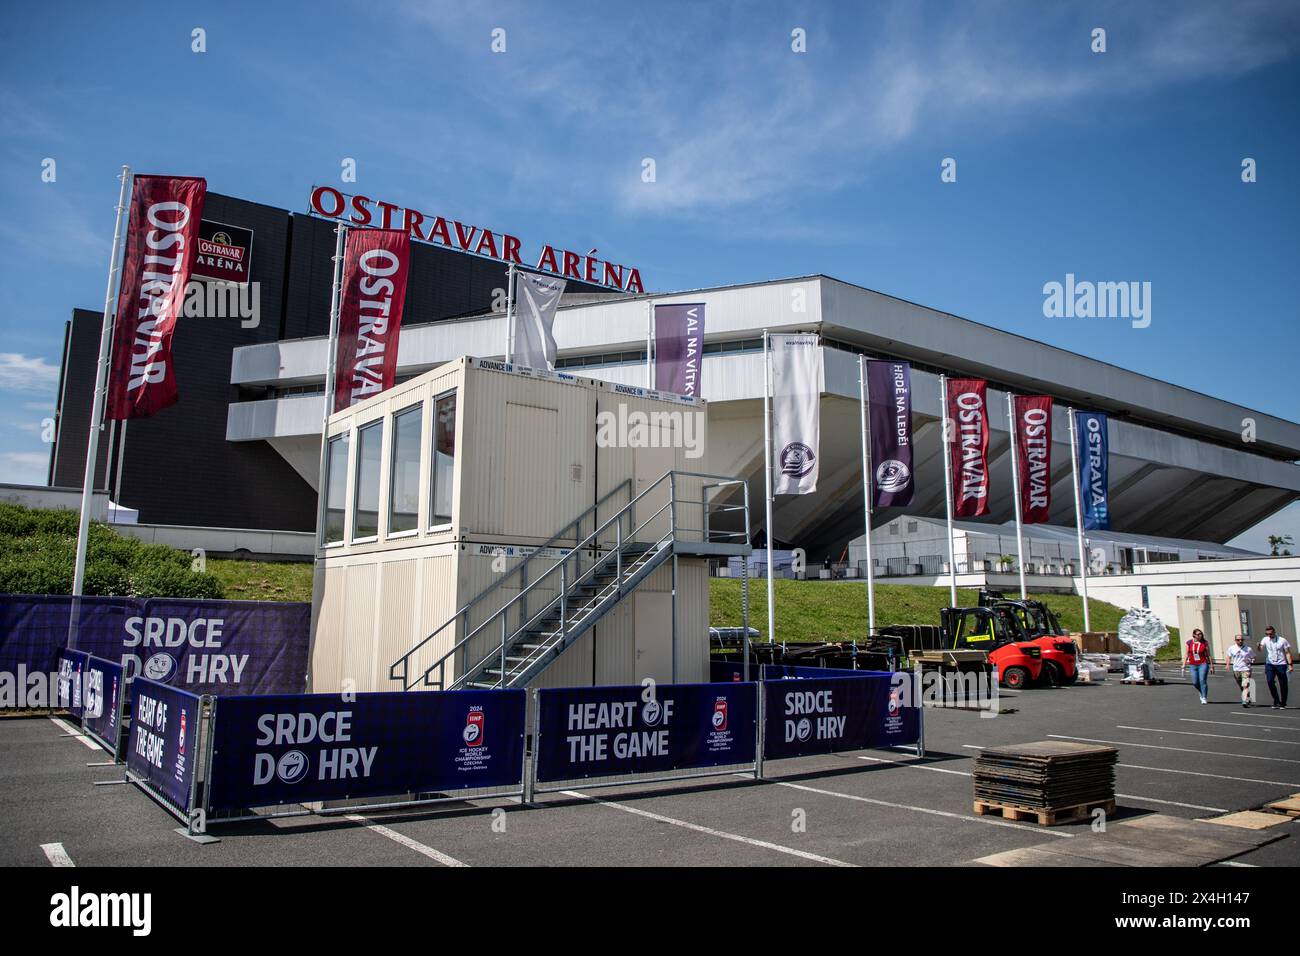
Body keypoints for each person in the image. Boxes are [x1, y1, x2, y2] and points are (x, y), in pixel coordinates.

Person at [1257, 626, 1294, 710]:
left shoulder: (1282, 640)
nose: (1269, 635)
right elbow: (1260, 649)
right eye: (1267, 634)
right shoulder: (1265, 639)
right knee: (1270, 681)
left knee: (1283, 684)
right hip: (1270, 664)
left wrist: (1290, 664)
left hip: (1281, 664)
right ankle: (1276, 700)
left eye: (1270, 633)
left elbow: (1287, 653)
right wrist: (1258, 646)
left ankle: (1283, 702)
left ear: (1274, 632)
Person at [1182, 628, 1212, 704]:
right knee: (1195, 682)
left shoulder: (1205, 643)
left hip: (1203, 663)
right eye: (1198, 634)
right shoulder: (1189, 643)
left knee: (1202, 680)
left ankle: (1204, 697)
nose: (1200, 635)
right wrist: (1184, 664)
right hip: (1193, 664)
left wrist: (1212, 666)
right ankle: (1201, 691)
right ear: (1194, 635)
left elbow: (1208, 655)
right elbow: (1186, 654)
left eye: (1201, 634)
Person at [1226, 634, 1256, 708]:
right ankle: (1247, 697)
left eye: (1242, 640)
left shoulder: (1248, 649)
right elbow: (1228, 656)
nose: (1240, 641)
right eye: (1238, 640)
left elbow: (1254, 658)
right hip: (1236, 669)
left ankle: (1244, 701)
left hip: (1246, 669)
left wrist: (1251, 660)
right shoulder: (1232, 648)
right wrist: (1227, 664)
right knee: (1241, 686)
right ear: (1235, 640)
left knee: (1245, 685)